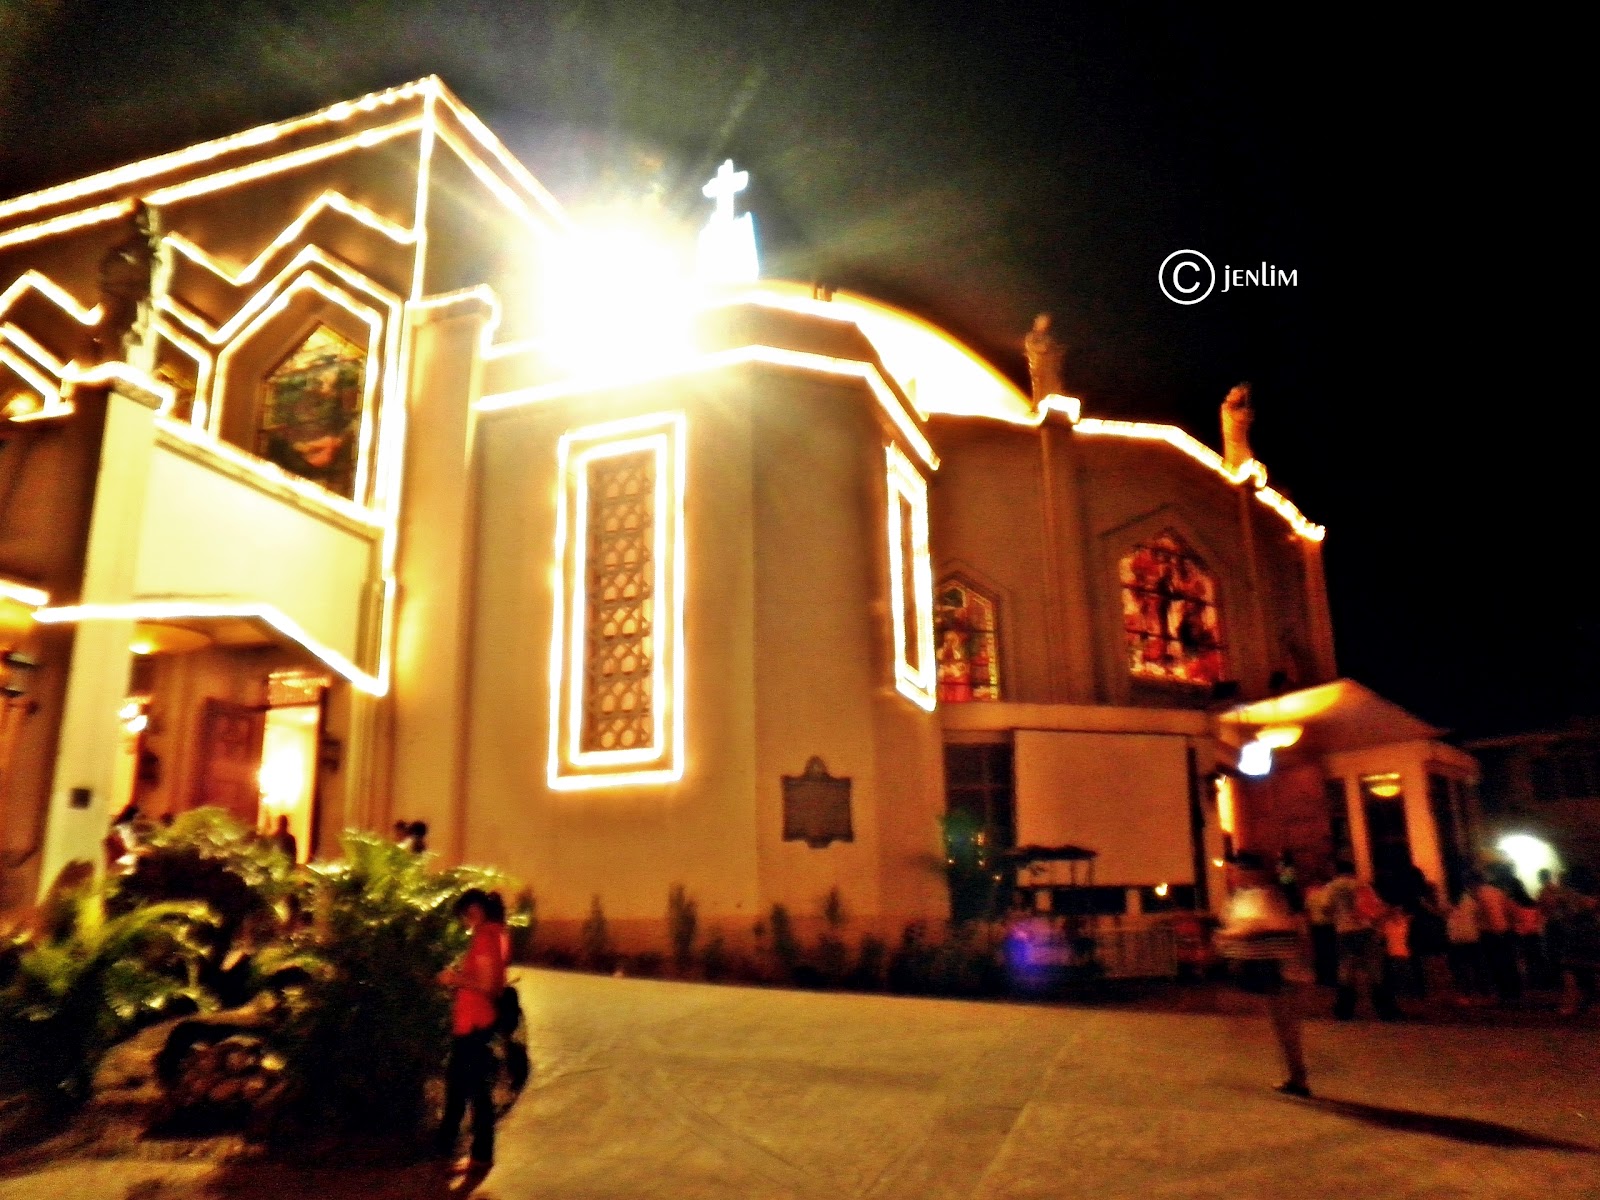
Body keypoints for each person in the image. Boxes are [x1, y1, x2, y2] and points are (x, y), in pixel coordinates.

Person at [1215, 852, 1310, 1097]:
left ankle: (1297, 1077)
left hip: (1275, 968)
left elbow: (1266, 924)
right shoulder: (1243, 896)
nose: (1233, 875)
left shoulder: (1266, 894)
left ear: (1250, 872)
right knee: (1278, 1024)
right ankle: (1294, 1075)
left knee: (1284, 1023)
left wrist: (1230, 934)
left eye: (1237, 870)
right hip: (1258, 968)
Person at [436, 889, 508, 1171]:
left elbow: (489, 986)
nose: (464, 923)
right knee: (457, 1083)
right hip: (472, 1021)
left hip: (475, 1023)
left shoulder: (485, 937)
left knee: (477, 1089)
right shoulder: (497, 934)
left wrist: (455, 979)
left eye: (464, 916)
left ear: (474, 911)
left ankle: (481, 1155)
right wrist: (462, 978)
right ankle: (445, 1142)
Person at [1323, 860, 1398, 1020]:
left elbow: (1326, 909)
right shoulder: (1362, 885)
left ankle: (1344, 1009)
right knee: (1374, 969)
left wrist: (1338, 917)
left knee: (1346, 970)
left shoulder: (1331, 887)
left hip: (1344, 931)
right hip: (1365, 930)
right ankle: (1385, 1009)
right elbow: (1375, 908)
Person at [1476, 865, 1520, 1002]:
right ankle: (1514, 991)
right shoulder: (1498, 892)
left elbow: (1491, 914)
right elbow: (1510, 910)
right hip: (1504, 931)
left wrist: (1496, 930)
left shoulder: (1481, 894)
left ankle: (1505, 993)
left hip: (1492, 933)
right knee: (1508, 963)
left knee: (1496, 964)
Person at [1444, 884, 1485, 1004]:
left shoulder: (1449, 902)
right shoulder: (1470, 901)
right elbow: (1477, 914)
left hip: (1457, 938)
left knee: (1461, 968)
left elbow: (1442, 914)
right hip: (1470, 936)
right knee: (1475, 966)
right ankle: (1480, 993)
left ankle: (1466, 994)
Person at [1303, 870, 1339, 987]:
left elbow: (1307, 911)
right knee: (1331, 951)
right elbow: (1330, 908)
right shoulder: (1327, 892)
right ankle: (1332, 976)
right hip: (1328, 924)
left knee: (1320, 951)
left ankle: (1322, 977)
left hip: (1316, 925)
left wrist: (1307, 926)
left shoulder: (1309, 893)